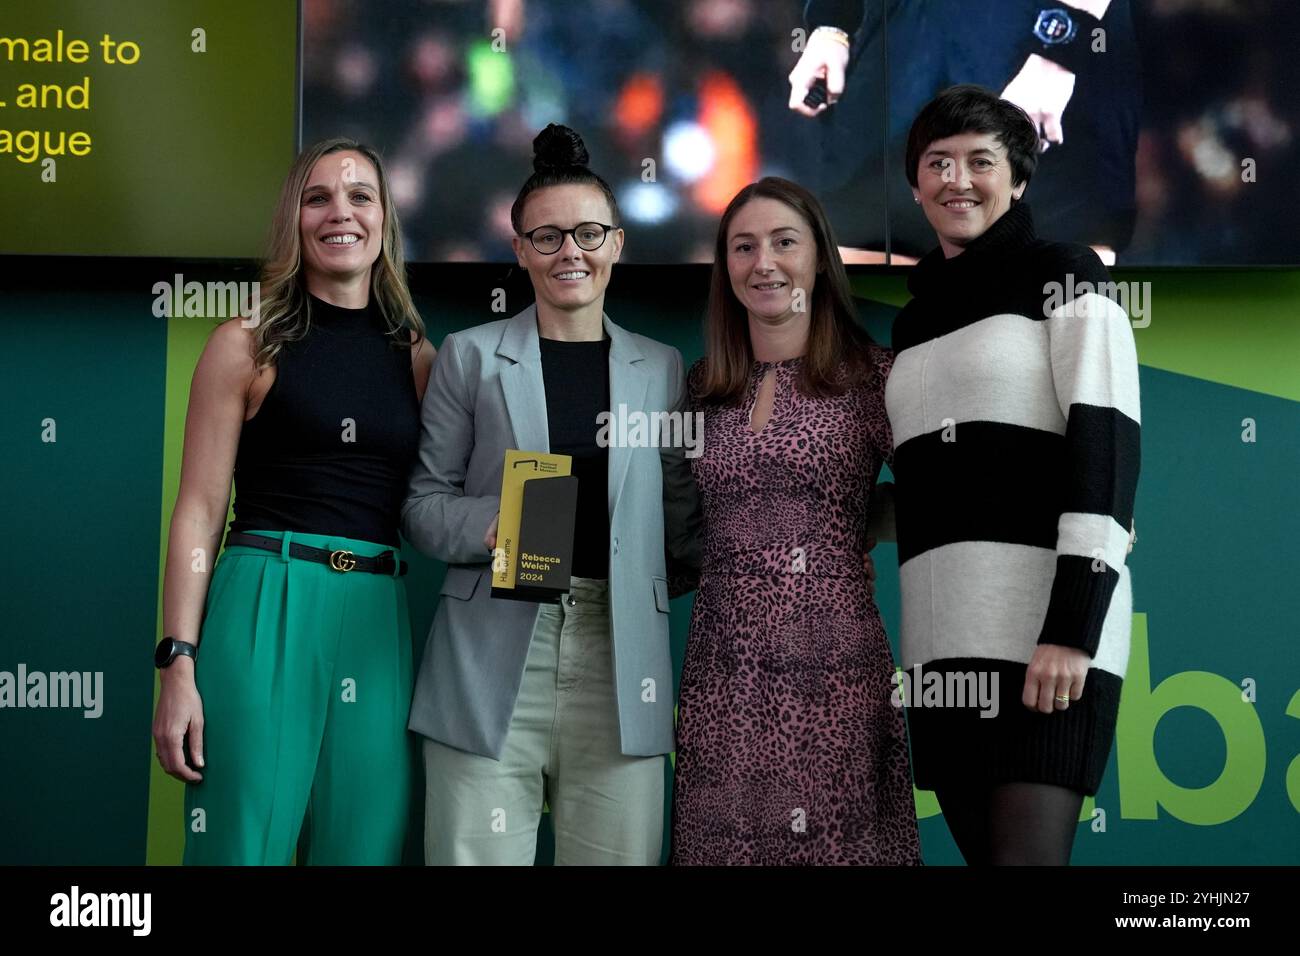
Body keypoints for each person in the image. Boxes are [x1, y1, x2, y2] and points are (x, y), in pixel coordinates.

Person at [403, 123, 701, 865]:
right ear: (520, 250)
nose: (571, 251)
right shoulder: (469, 356)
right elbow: (423, 507)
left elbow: (681, 520)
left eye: (589, 234)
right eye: (547, 236)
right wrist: (498, 523)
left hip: (619, 651)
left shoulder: (663, 368)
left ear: (617, 244)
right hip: (491, 649)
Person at [151, 138, 434, 864]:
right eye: (318, 198)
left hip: (377, 617)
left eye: (360, 196)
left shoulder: (420, 357)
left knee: (364, 848)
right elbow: (199, 512)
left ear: (385, 220)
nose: (340, 213)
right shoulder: (245, 344)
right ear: (295, 220)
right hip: (262, 603)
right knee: (239, 847)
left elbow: (445, 503)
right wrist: (177, 663)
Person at [884, 85, 1140, 864]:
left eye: (980, 162)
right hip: (941, 650)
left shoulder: (1064, 273)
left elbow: (1107, 451)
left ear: (1019, 179)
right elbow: (941, 481)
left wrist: (1071, 632)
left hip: (1045, 641)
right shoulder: (913, 321)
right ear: (916, 184)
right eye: (938, 163)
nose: (956, 179)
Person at [670, 176, 921, 865]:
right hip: (720, 671)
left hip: (833, 665)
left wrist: (863, 521)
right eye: (743, 247)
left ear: (819, 257)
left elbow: (941, 494)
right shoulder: (703, 387)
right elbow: (672, 522)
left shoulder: (872, 376)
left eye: (785, 242)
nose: (764, 263)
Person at [787, 0, 1140, 263]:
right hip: (896, 54)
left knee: (1046, 323)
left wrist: (1058, 46)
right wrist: (832, 23)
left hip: (1032, 50)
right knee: (870, 318)